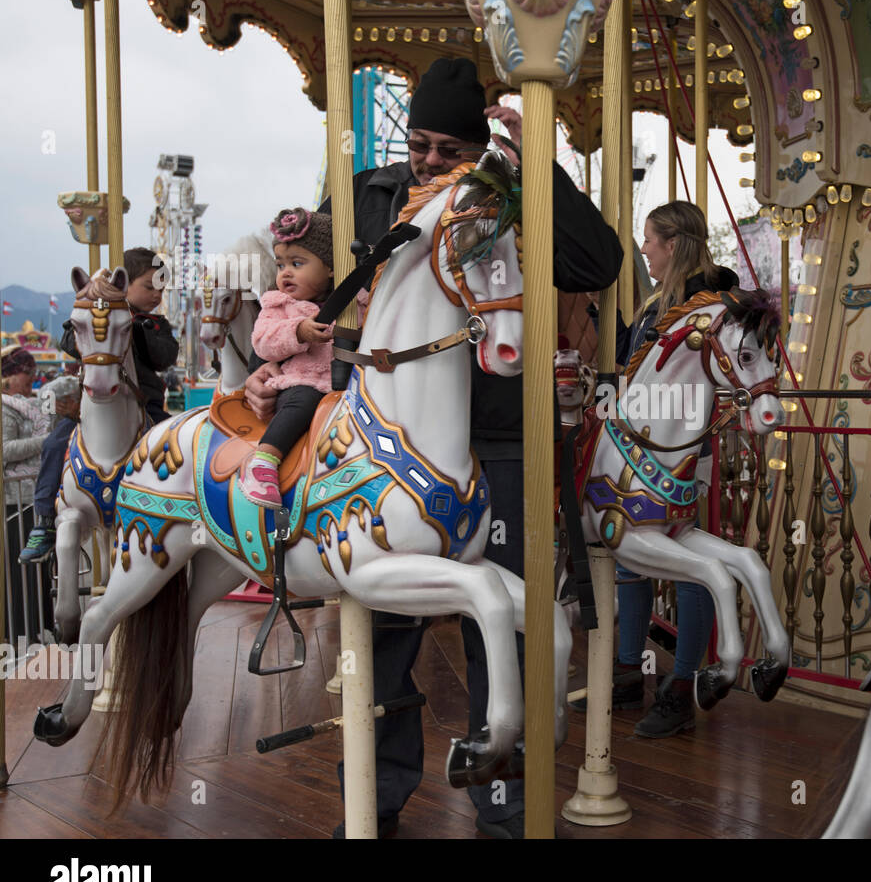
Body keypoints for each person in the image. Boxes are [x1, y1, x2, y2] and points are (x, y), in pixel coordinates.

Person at [242, 57, 622, 839]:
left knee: (504, 623)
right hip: (384, 432)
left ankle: (504, 795)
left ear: (476, 145)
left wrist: (536, 168)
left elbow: (597, 263)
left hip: (496, 432)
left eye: (447, 148)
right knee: (383, 627)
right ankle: (376, 796)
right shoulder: (374, 191)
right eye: (419, 142)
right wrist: (272, 366)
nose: (428, 160)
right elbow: (310, 290)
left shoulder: (505, 197)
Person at [586, 201, 739, 738]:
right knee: (630, 552)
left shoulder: (714, 300)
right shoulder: (658, 302)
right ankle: (629, 668)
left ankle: (682, 684)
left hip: (683, 450)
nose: (644, 250)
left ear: (672, 244)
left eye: (649, 240)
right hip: (640, 446)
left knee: (688, 558)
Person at [20, 249, 178, 562]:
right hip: (95, 407)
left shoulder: (153, 324)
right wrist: (90, 307)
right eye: (150, 286)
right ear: (125, 284)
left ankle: (176, 514)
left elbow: (164, 358)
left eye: (162, 287)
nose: (158, 294)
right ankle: (45, 520)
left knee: (174, 445)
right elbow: (71, 344)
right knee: (55, 443)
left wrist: (133, 326)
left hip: (143, 404)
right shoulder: (95, 314)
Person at [237, 208, 335, 508]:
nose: (286, 273)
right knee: (302, 402)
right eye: (280, 265)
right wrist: (298, 331)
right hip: (300, 382)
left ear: (331, 268)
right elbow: (263, 342)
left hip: (344, 384)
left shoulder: (354, 299)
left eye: (297, 263)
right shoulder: (278, 304)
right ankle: (264, 463)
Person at [2, 345, 53, 639]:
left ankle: (37, 625)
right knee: (20, 569)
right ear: (9, 376)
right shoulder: (6, 407)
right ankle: (21, 629)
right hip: (13, 501)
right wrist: (45, 442)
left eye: (34, 373)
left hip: (32, 497)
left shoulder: (29, 404)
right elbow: (4, 450)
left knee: (37, 568)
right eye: (27, 372)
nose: (32, 379)